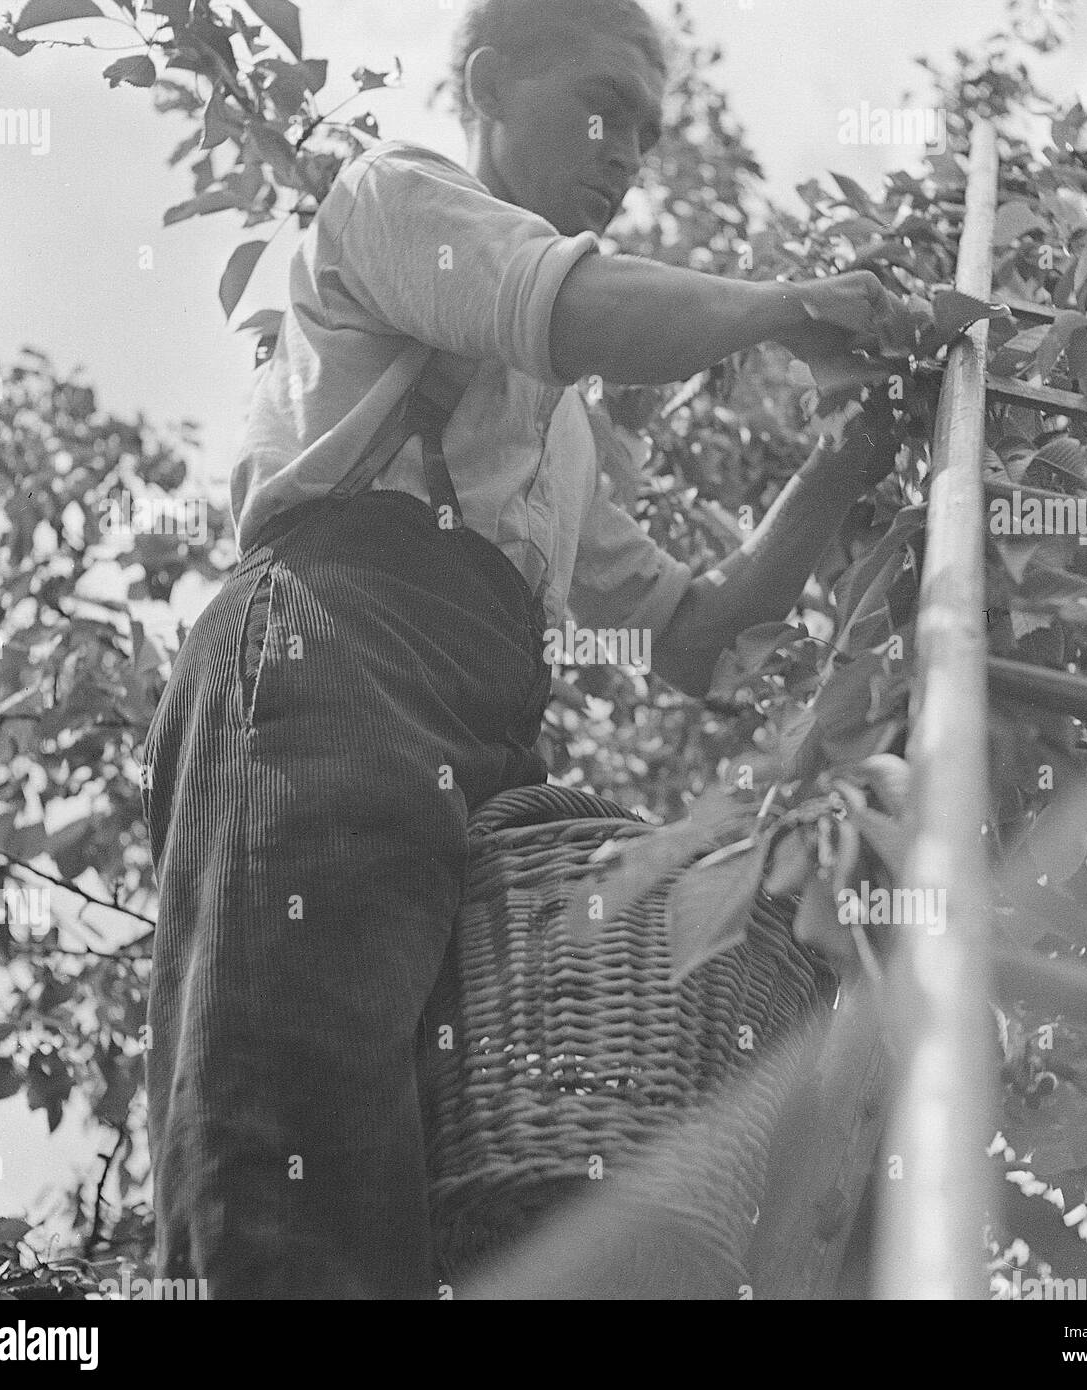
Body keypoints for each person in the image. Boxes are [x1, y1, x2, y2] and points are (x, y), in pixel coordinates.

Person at [140, 0, 908, 1299]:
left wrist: (858, 455)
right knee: (290, 1109)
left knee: (422, 1152)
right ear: (491, 85)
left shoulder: (557, 439)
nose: (626, 151)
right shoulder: (395, 200)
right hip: (332, 656)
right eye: (600, 106)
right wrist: (795, 305)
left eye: (650, 133)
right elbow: (577, 305)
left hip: (476, 734)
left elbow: (698, 633)